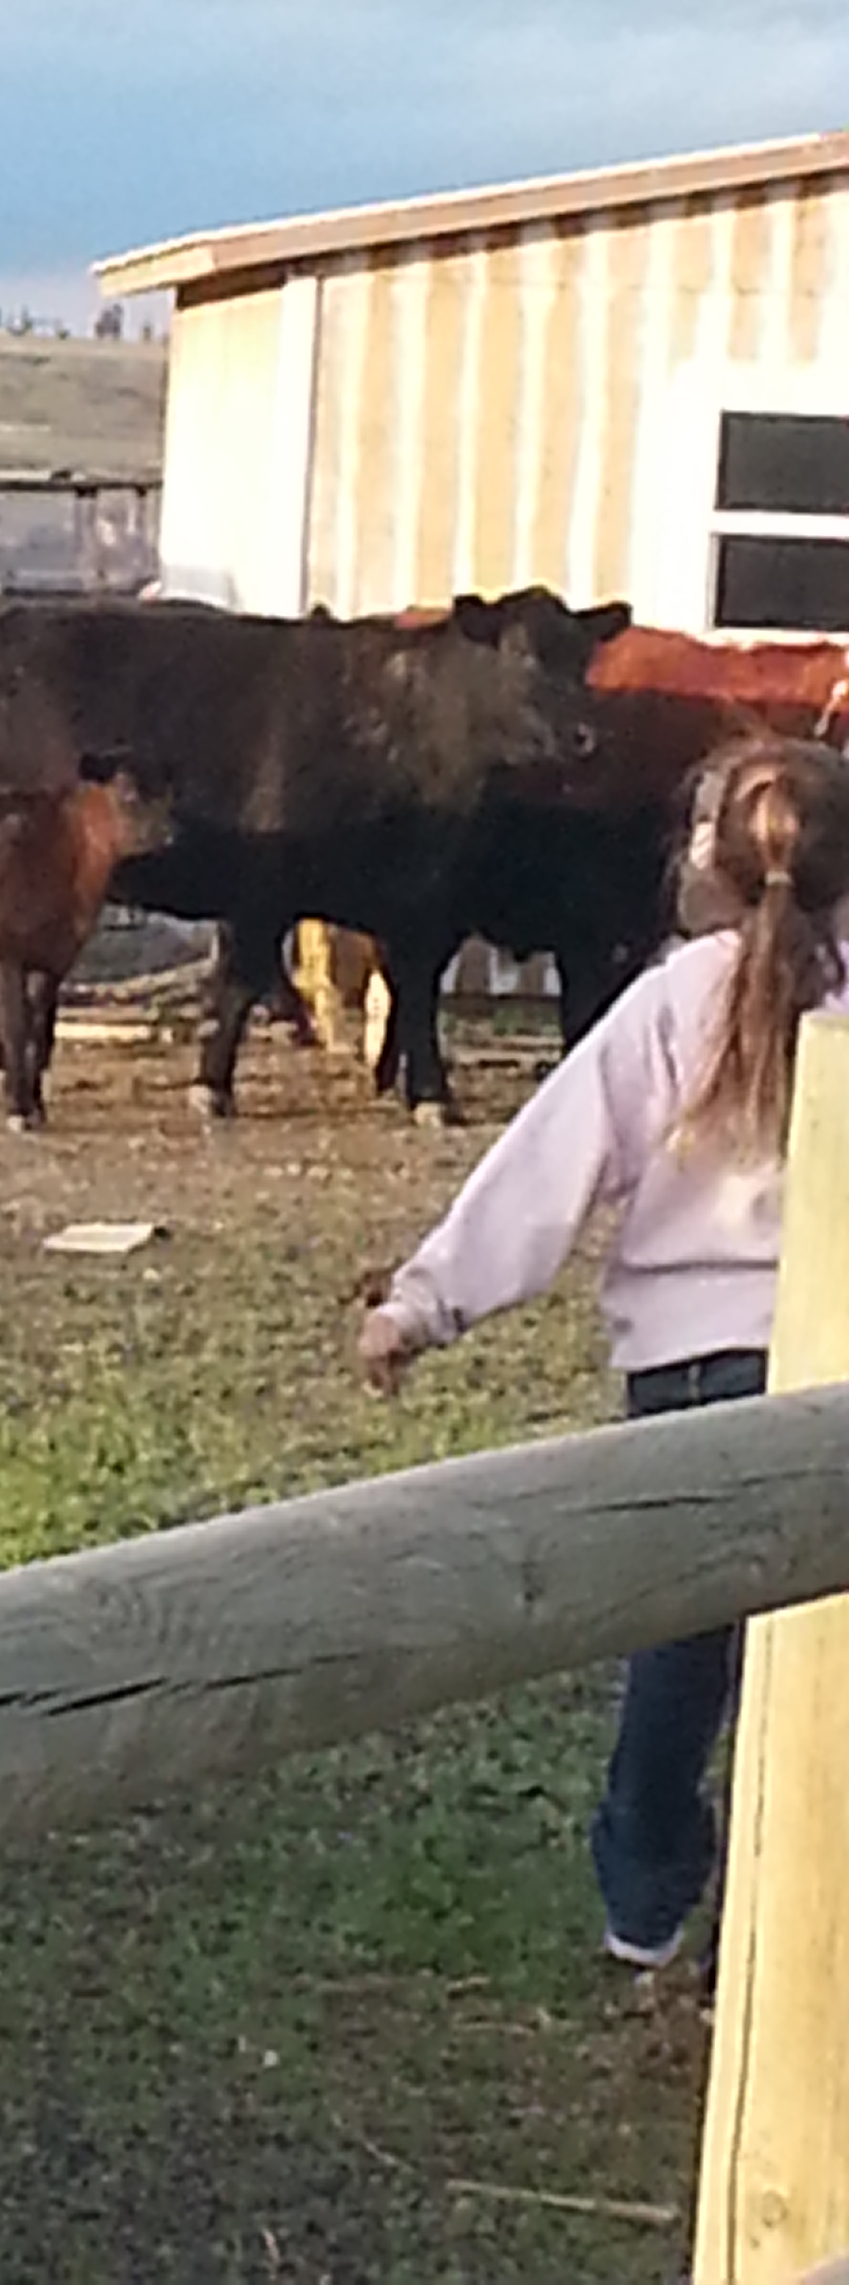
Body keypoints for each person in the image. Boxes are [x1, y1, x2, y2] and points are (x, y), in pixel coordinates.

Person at [356, 735, 849, 1973]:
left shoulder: (674, 1001)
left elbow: (552, 1163)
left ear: (709, 864)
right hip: (836, 1365)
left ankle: (647, 1919)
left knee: (680, 1666)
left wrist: (426, 1300)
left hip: (695, 1375)